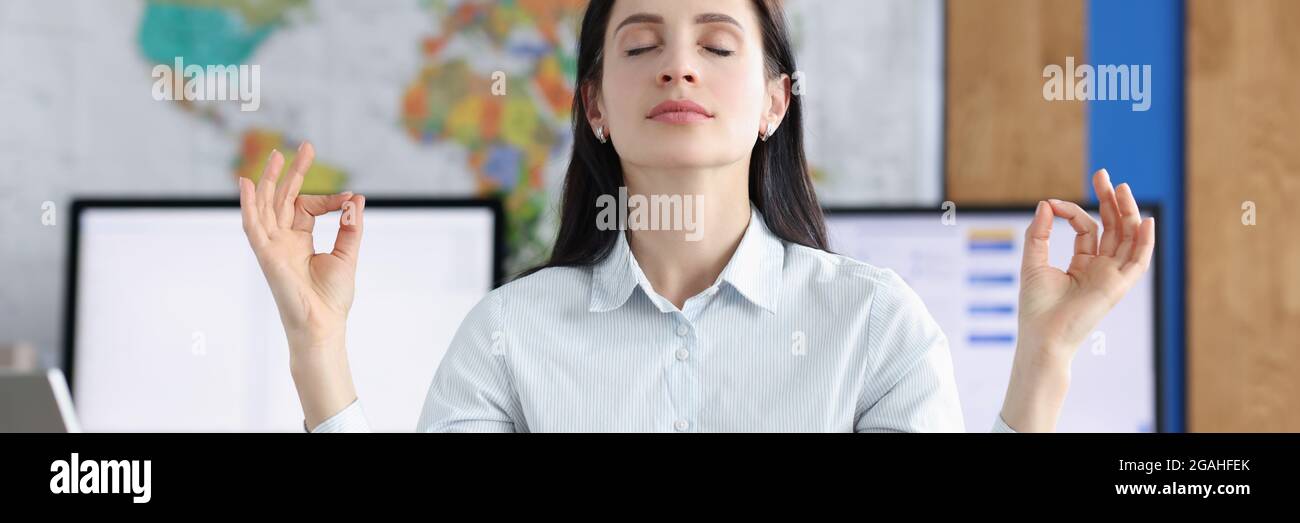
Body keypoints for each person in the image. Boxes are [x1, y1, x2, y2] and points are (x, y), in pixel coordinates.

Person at [236, 0, 1155, 433]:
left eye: (718, 44)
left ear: (773, 101)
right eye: (641, 45)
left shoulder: (873, 325)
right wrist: (317, 342)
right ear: (596, 105)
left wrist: (1049, 357)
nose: (678, 66)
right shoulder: (510, 336)